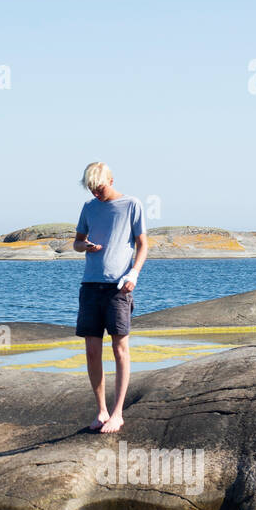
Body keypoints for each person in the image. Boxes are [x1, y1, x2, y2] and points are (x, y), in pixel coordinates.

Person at [72, 162, 148, 433]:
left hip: (119, 287)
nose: (96, 193)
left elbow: (142, 244)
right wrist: (86, 245)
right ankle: (102, 411)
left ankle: (118, 413)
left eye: (99, 187)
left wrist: (134, 274)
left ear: (111, 180)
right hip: (90, 285)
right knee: (92, 351)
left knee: (119, 349)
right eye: (91, 189)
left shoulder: (132, 204)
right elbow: (77, 242)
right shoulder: (89, 208)